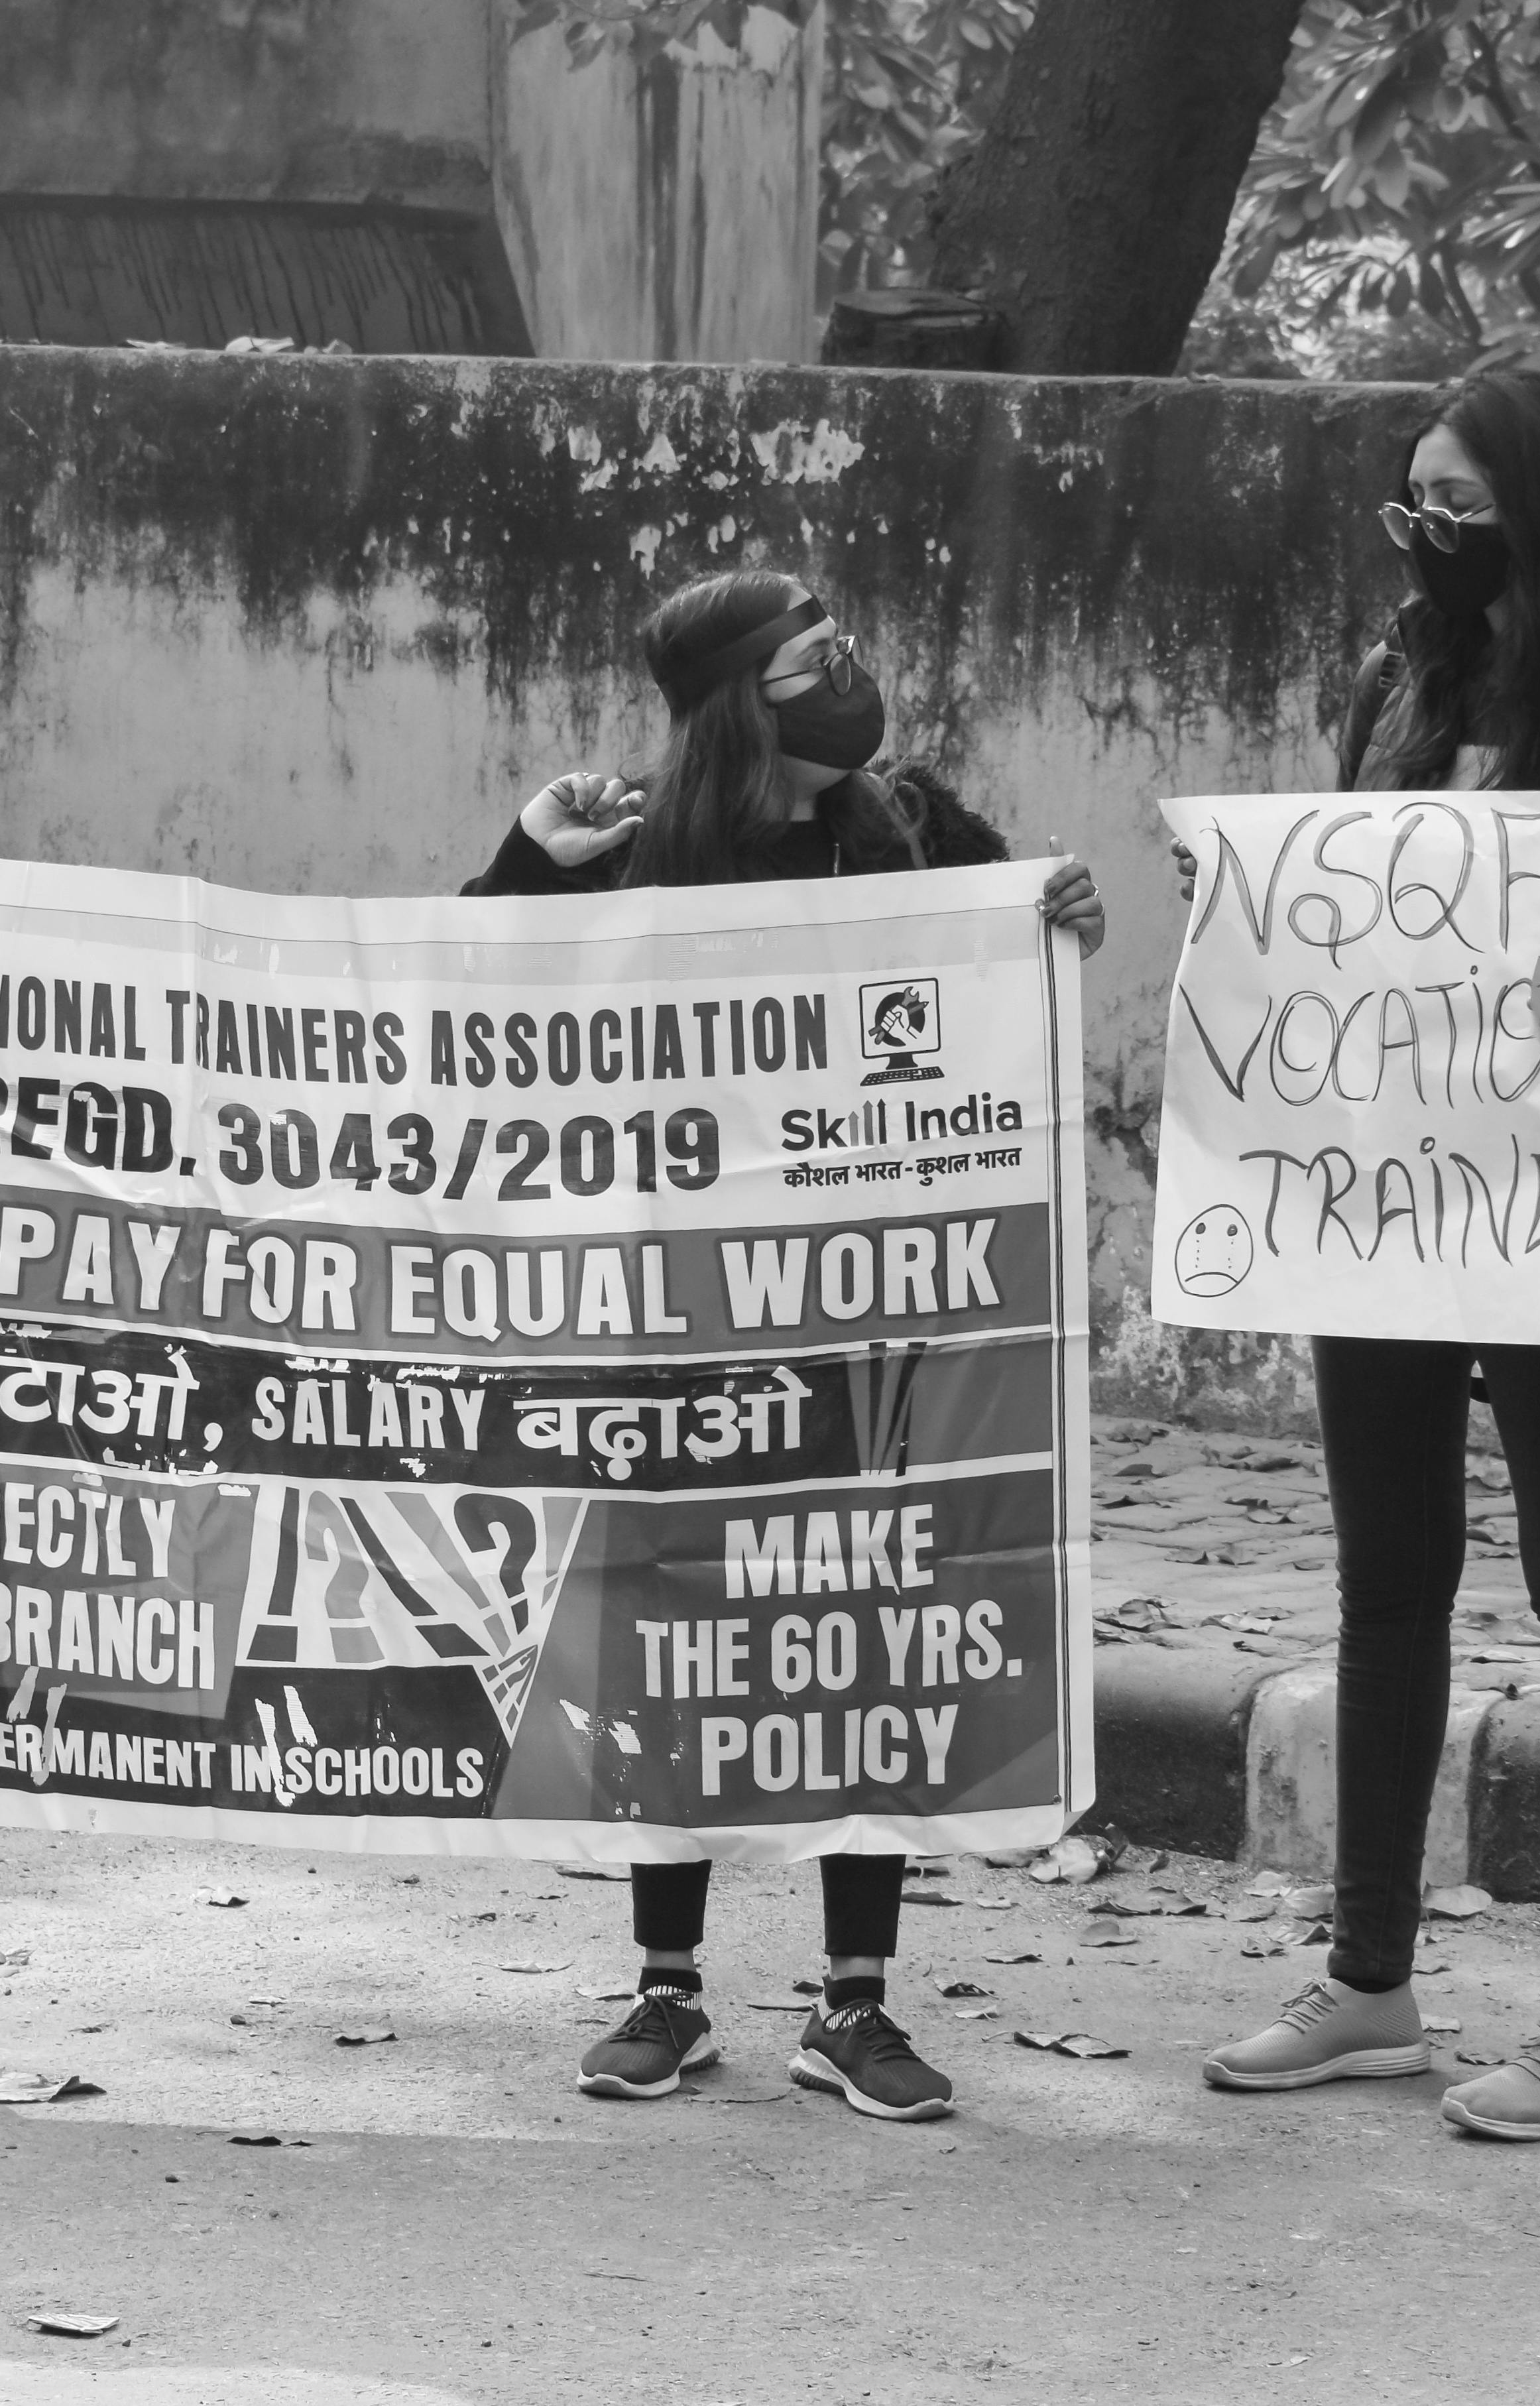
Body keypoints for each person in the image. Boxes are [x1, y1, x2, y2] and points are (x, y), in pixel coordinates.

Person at [463, 567, 1105, 2122]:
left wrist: (1053, 919)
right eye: (820, 653)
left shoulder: (915, 824)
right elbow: (463, 1002)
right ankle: (665, 1987)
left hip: (881, 1316)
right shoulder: (627, 849)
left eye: (848, 638)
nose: (853, 669)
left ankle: (855, 2002)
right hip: (677, 1311)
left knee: (866, 1619)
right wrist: (523, 867)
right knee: (673, 1627)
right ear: (745, 691)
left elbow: (997, 994)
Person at [1193, 367, 1540, 2139]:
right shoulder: (1397, 672)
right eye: (1406, 497)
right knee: (1383, 1580)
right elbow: (1345, 902)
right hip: (1384, 1192)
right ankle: (1365, 1983)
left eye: (1455, 500)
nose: (1421, 531)